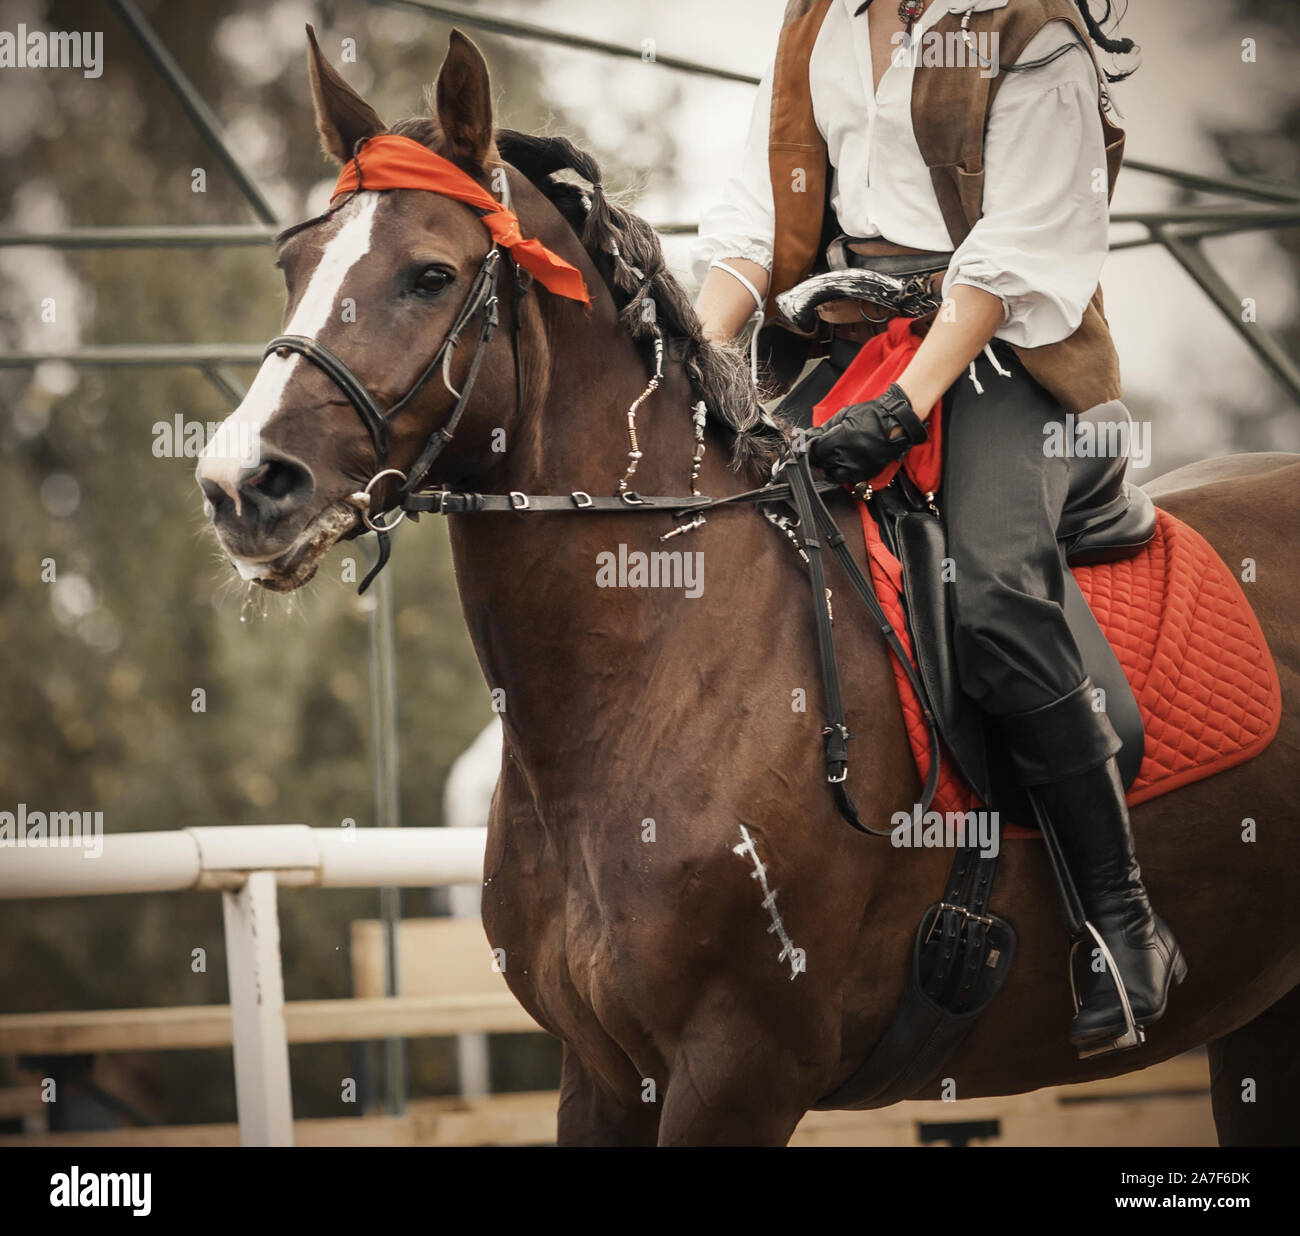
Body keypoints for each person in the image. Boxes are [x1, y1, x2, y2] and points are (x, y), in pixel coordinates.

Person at [691, 0, 1185, 1057]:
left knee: (994, 592)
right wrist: (694, 356)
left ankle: (1122, 925)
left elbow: (1019, 249)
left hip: (998, 352)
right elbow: (750, 218)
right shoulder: (815, 19)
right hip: (832, 332)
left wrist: (905, 406)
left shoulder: (1029, 31)